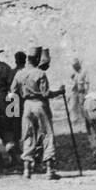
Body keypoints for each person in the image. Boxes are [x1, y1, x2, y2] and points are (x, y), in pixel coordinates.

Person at [10, 46, 64, 180]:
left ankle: (27, 170)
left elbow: (12, 91)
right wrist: (59, 92)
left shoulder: (19, 73)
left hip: (26, 106)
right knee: (47, 134)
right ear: (38, 59)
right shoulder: (40, 74)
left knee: (28, 135)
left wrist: (12, 112)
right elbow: (45, 94)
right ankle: (50, 169)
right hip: (40, 105)